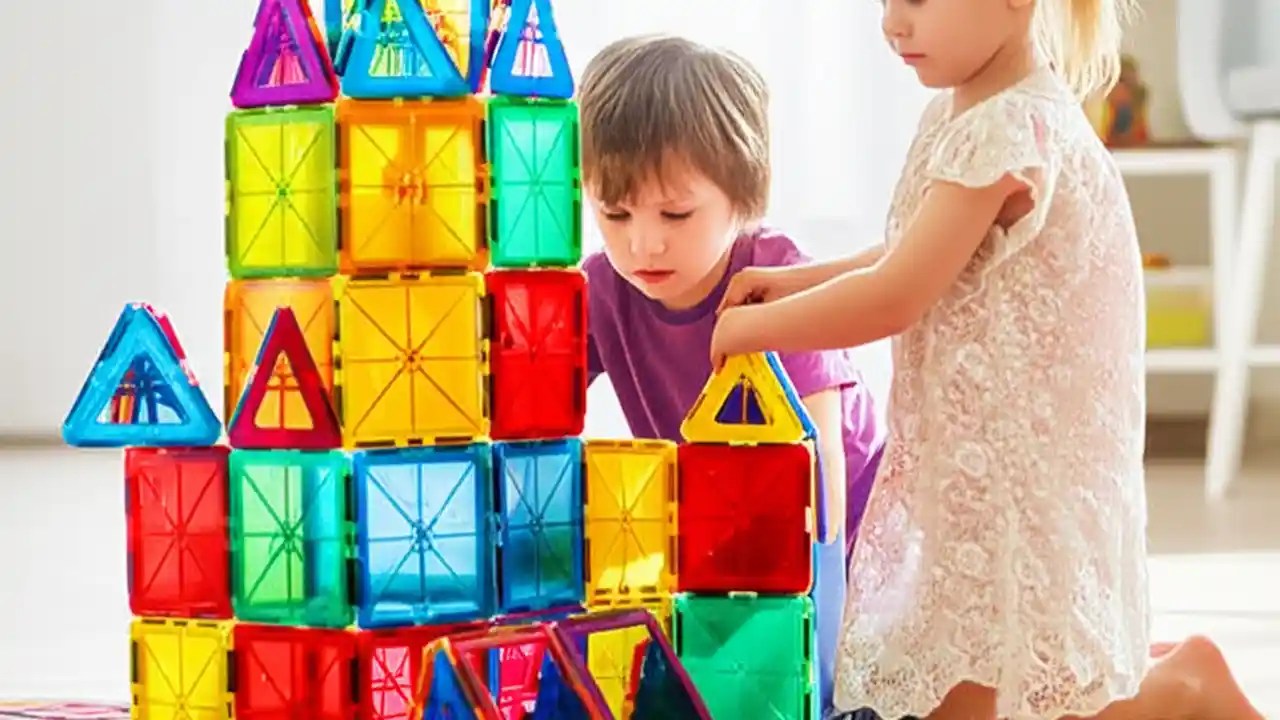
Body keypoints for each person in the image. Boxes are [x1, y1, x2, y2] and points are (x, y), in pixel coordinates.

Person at [711, 0, 1265, 718]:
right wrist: (796, 282)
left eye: (915, 0)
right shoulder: (965, 115)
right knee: (979, 674)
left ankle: (1185, 689)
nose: (892, 24)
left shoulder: (1007, 132)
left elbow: (898, 295)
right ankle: (1178, 683)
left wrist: (752, 332)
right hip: (971, 457)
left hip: (1020, 472)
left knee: (1026, 686)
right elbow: (920, 252)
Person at [576, 35, 884, 719]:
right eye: (614, 214)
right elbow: (535, 403)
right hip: (719, 541)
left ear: (741, 194)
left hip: (854, 538)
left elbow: (825, 485)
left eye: (675, 214)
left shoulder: (772, 277)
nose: (642, 244)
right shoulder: (603, 288)